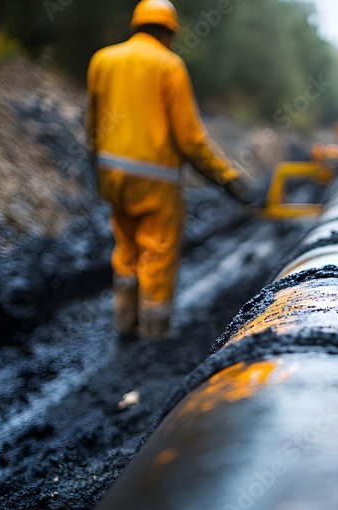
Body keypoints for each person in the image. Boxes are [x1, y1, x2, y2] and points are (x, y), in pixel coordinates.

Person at [86, 0, 255, 340]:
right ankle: (154, 332)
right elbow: (191, 140)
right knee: (157, 251)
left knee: (127, 248)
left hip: (112, 176)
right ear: (169, 32)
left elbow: (93, 124)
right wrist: (229, 179)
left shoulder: (103, 59)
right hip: (155, 182)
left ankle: (124, 323)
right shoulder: (169, 65)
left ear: (136, 25)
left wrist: (95, 164)